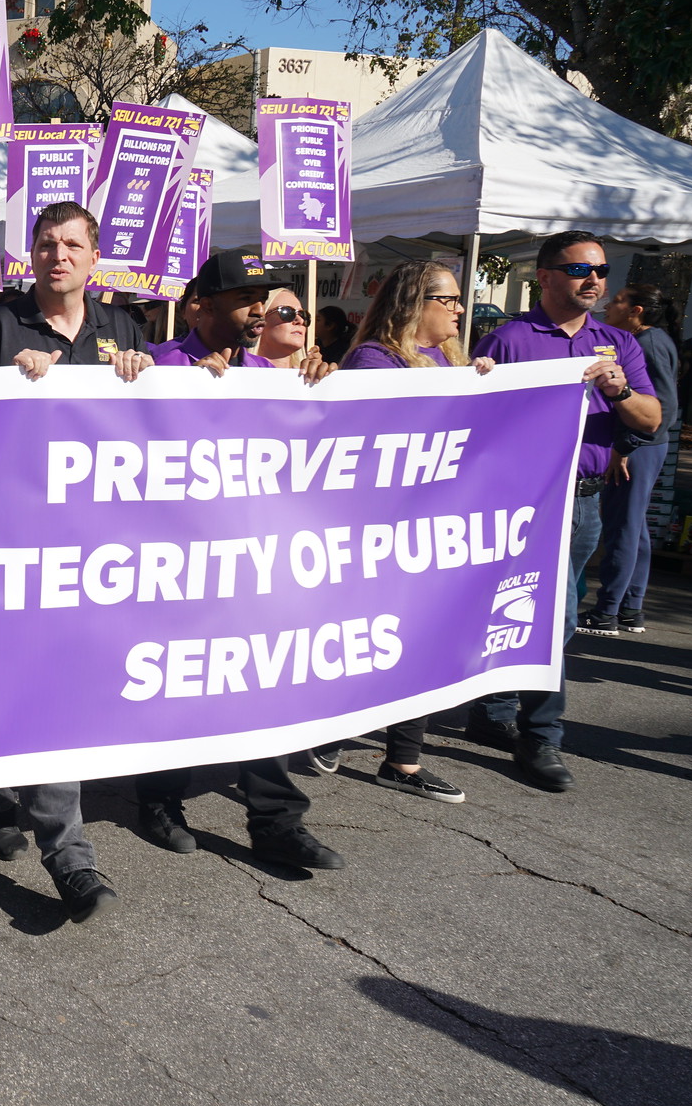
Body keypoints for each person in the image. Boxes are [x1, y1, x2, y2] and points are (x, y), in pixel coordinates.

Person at [0, 200, 150, 922]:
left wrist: (145, 376)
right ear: (29, 255)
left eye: (71, 244)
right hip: (11, 544)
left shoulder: (123, 331)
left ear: (95, 258)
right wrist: (8, 384)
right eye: (45, 243)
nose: (57, 255)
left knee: (49, 692)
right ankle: (71, 862)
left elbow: (153, 432)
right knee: (33, 689)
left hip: (90, 550)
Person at [135, 250, 346, 872]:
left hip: (252, 564)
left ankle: (278, 822)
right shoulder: (158, 365)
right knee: (176, 687)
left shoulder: (277, 374)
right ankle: (159, 800)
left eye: (268, 298)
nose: (262, 309)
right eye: (247, 298)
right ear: (202, 304)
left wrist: (323, 383)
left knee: (267, 687)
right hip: (174, 566)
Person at [301, 259, 499, 803]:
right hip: (379, 531)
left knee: (424, 641)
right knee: (369, 636)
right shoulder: (374, 361)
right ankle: (329, 728)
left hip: (433, 531)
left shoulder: (451, 359)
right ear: (415, 304)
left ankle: (404, 761)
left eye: (460, 300)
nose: (460, 309)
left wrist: (485, 388)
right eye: (450, 299)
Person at [468, 232, 661, 789]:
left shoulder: (617, 343)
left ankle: (496, 708)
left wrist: (621, 393)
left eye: (600, 270)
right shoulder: (509, 339)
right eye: (579, 269)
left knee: (550, 615)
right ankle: (541, 737)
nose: (593, 280)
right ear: (545, 276)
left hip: (582, 504)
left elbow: (651, 421)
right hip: (522, 503)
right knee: (555, 619)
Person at [584, 282, 681, 635]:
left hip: (637, 448)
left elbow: (664, 407)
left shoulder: (648, 343)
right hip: (641, 446)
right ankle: (628, 608)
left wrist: (625, 447)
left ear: (636, 311)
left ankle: (607, 612)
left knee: (622, 527)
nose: (609, 305)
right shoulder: (648, 340)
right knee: (633, 527)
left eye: (619, 301)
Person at [255, 285, 311, 367]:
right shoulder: (236, 371)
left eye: (302, 314)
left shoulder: (311, 376)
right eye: (287, 312)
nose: (300, 321)